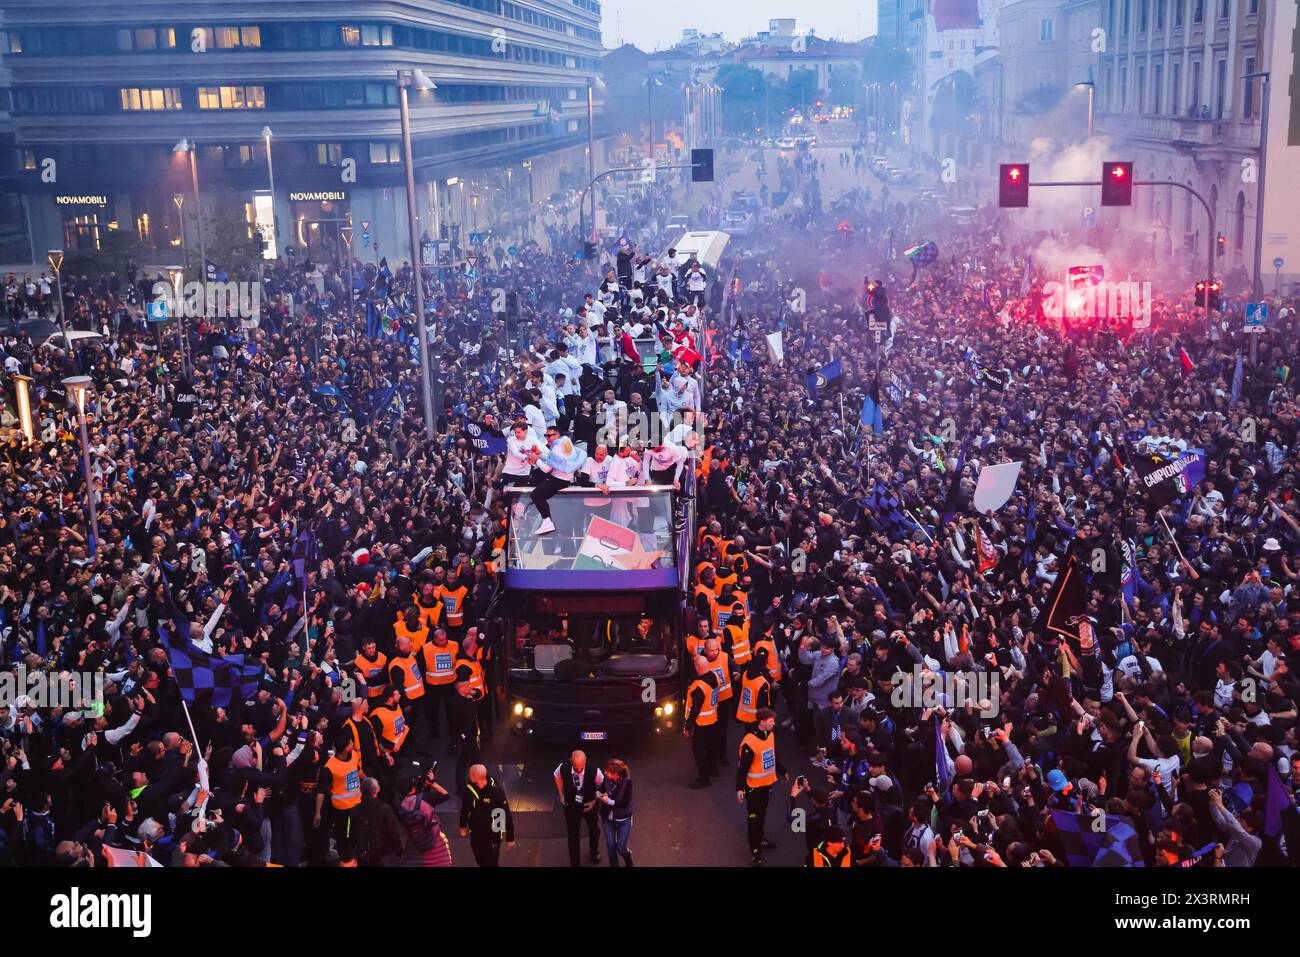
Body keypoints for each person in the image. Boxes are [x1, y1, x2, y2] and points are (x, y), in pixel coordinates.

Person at [737, 709, 788, 866]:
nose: (774, 723)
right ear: (762, 722)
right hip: (753, 788)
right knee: (754, 819)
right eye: (771, 721)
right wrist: (739, 788)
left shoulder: (769, 734)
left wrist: (783, 771)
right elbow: (742, 769)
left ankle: (760, 838)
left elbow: (773, 755)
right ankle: (755, 852)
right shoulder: (749, 742)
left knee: (762, 813)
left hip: (765, 785)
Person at [314, 732, 363, 867]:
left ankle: (355, 857)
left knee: (357, 834)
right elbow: (321, 791)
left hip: (358, 804)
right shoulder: (330, 767)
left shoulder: (354, 755)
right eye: (351, 742)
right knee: (345, 839)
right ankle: (346, 861)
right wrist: (317, 813)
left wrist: (368, 781)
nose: (353, 744)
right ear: (346, 748)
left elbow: (358, 771)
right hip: (343, 810)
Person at [396, 763, 454, 867]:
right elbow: (445, 795)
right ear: (413, 785)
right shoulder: (426, 798)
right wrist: (432, 783)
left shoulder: (401, 804)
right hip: (433, 840)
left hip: (415, 843)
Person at [459, 764, 515, 867]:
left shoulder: (496, 792)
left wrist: (510, 838)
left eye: (470, 774)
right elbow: (465, 808)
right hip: (476, 832)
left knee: (492, 861)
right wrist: (462, 825)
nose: (468, 775)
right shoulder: (469, 789)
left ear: (476, 776)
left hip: (493, 834)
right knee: (479, 858)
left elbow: (506, 814)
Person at [554, 749, 603, 867]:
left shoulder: (594, 770)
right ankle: (575, 863)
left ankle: (594, 851)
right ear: (571, 761)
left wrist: (594, 801)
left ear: (585, 760)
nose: (579, 770)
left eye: (581, 767)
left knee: (594, 830)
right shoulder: (564, 767)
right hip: (571, 806)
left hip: (589, 805)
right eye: (576, 768)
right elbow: (557, 777)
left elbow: (602, 786)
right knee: (573, 837)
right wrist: (561, 794)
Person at [684, 655, 721, 788]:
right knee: (711, 747)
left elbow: (695, 710)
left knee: (698, 751)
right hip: (713, 719)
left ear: (697, 667)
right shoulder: (715, 676)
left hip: (702, 724)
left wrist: (688, 726)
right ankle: (714, 769)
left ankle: (704, 779)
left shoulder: (699, 686)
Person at [595, 758, 634, 867]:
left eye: (607, 771)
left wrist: (609, 801)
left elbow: (625, 802)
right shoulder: (606, 779)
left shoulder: (627, 782)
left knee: (621, 848)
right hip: (608, 819)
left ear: (615, 773)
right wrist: (598, 794)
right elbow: (601, 789)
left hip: (623, 820)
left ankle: (627, 856)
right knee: (611, 847)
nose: (605, 773)